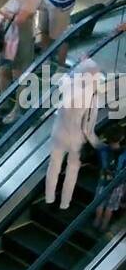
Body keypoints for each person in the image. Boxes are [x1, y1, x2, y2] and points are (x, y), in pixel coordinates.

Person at [47, 58, 103, 210]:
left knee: (54, 166)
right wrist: (98, 144)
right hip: (75, 139)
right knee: (72, 169)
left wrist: (81, 64)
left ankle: (49, 197)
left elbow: (65, 78)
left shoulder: (68, 83)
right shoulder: (92, 97)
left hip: (58, 132)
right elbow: (87, 128)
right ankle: (65, 203)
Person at [0, 0, 42, 124]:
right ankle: (4, 102)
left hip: (21, 40)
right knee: (3, 71)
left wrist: (2, 11)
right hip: (7, 37)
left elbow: (19, 20)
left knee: (18, 76)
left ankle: (17, 109)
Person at [95, 127, 126, 232]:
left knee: (99, 203)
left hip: (103, 181)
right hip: (117, 184)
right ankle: (104, 224)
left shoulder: (102, 150)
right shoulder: (124, 153)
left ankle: (97, 220)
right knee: (110, 206)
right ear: (121, 138)